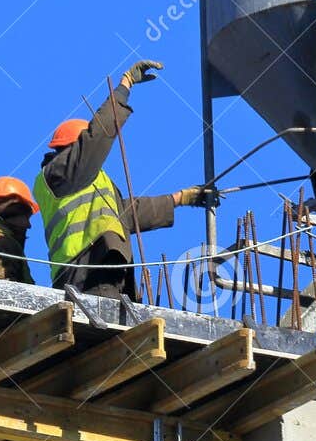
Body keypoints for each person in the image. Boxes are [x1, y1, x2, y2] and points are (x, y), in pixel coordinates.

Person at [33, 59, 212, 298]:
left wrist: (180, 198)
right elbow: (100, 132)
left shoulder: (87, 181)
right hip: (85, 272)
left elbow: (125, 213)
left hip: (99, 272)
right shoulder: (61, 172)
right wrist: (124, 86)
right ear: (73, 147)